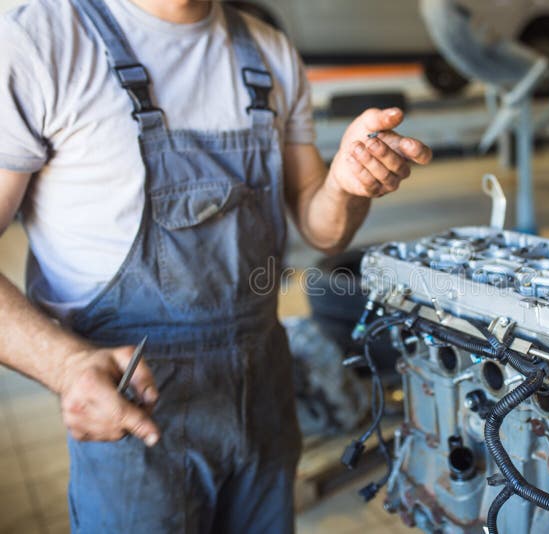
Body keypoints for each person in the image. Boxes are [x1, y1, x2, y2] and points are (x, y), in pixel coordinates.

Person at [0, 0, 432, 531]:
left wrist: (347, 184)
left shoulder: (268, 49)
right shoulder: (38, 40)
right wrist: (65, 366)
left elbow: (325, 228)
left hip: (266, 397)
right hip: (137, 417)